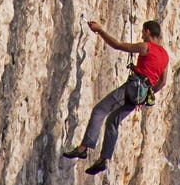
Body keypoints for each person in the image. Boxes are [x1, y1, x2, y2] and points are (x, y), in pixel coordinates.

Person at [63, 19, 169, 175]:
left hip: (131, 88)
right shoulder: (165, 56)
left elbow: (118, 45)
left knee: (100, 110)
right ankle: (102, 160)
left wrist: (100, 31)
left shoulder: (146, 47)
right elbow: (162, 82)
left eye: (142, 32)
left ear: (147, 32)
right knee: (113, 120)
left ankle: (83, 148)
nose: (141, 34)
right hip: (141, 94)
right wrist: (146, 95)